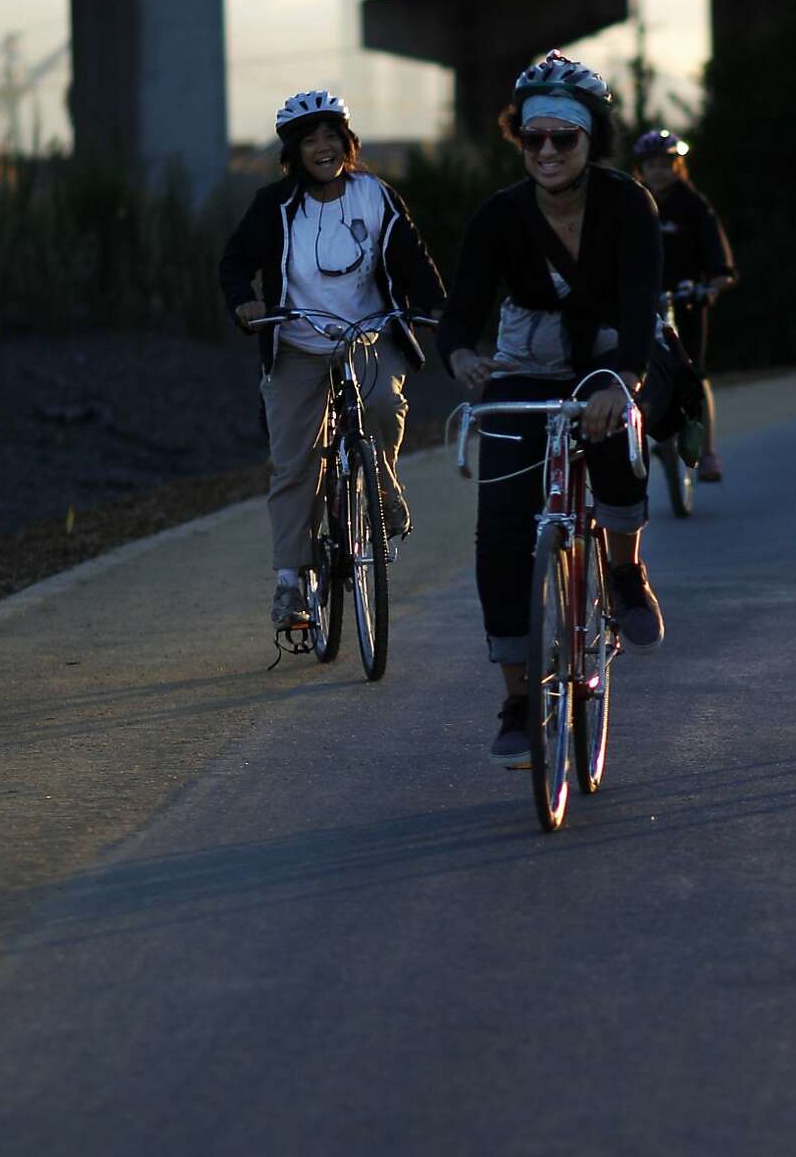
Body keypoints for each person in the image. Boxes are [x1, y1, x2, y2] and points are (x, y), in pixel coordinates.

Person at [437, 51, 671, 767]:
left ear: (589, 140)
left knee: (616, 445)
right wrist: (462, 357)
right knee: (502, 528)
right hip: (525, 365)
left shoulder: (628, 203)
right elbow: (460, 314)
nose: (546, 151)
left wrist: (623, 380)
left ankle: (624, 571)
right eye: (532, 137)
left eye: (562, 138)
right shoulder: (498, 217)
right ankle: (517, 697)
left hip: (609, 353)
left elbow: (641, 302)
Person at [219, 89, 445, 633]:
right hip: (298, 343)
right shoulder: (274, 206)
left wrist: (438, 306)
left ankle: (383, 488)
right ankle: (291, 582)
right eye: (310, 140)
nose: (323, 147)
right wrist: (245, 303)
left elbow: (412, 258)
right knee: (294, 463)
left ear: (348, 143)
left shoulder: (375, 195)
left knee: (383, 405)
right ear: (294, 153)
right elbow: (235, 262)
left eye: (332, 137)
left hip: (368, 336)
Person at [633, 127, 737, 480]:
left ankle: (707, 451)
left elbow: (719, 259)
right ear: (641, 169)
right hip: (643, 302)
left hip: (687, 302)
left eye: (666, 164)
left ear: (678, 167)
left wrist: (713, 284)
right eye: (651, 165)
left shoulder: (693, 205)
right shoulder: (632, 204)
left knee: (695, 373)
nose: (659, 172)